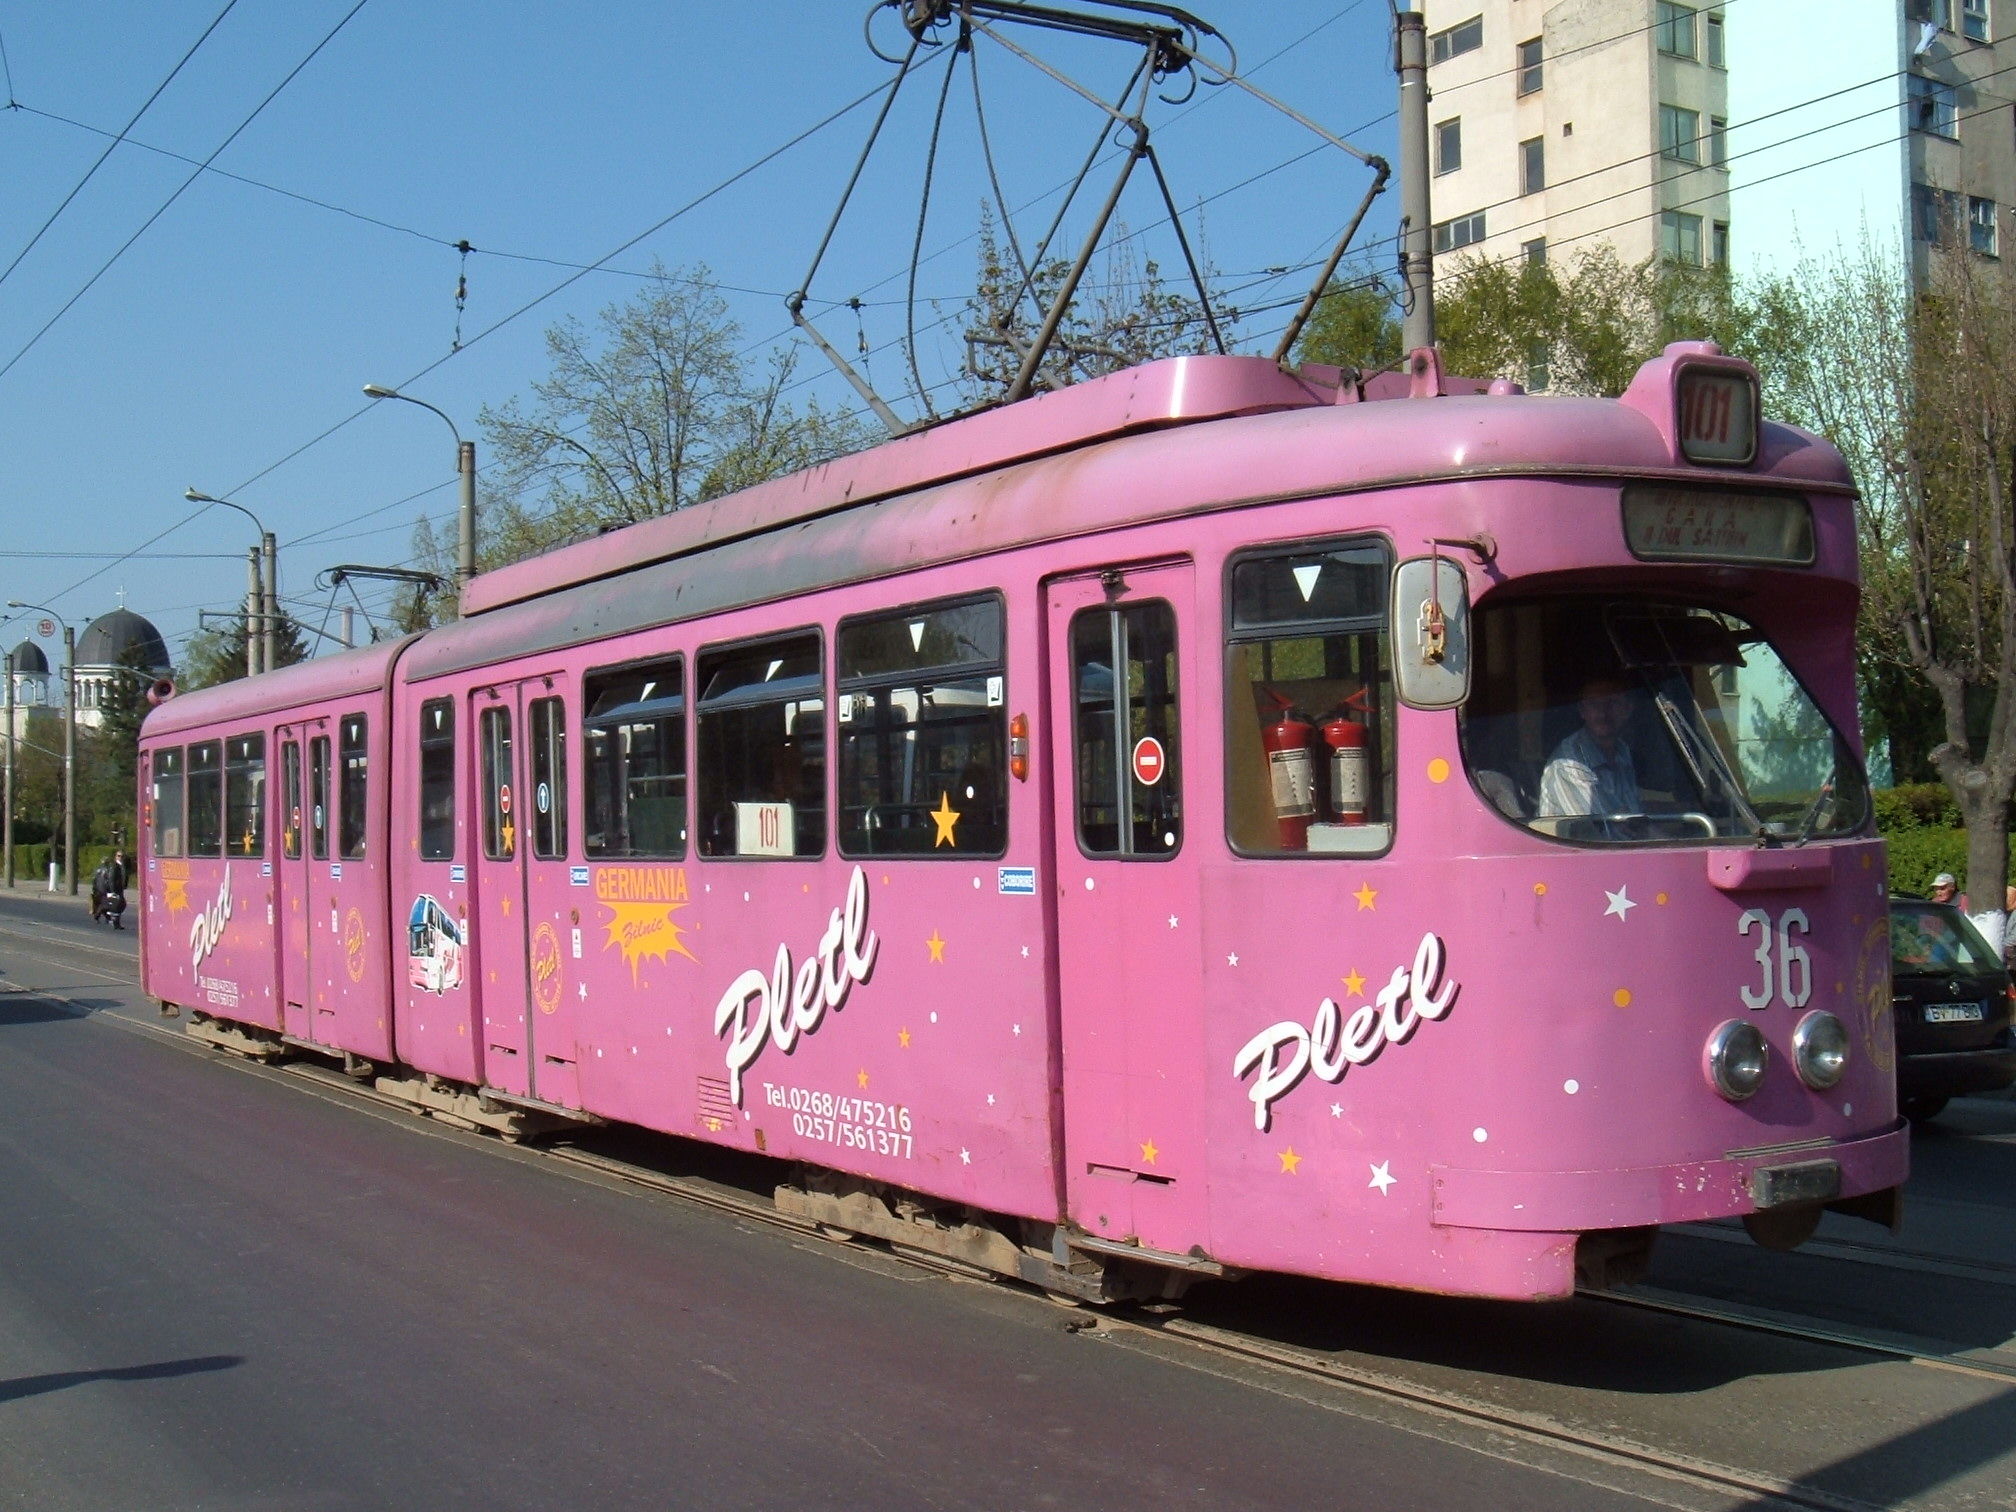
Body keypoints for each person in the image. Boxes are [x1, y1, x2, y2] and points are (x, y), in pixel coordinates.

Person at [1537, 674, 1642, 822]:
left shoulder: (1622, 750)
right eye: (1594, 704)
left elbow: (1634, 817)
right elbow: (1607, 830)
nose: (1603, 713)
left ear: (1628, 709)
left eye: (1611, 703)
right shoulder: (1569, 763)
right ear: (1582, 711)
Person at [90, 850, 128, 929]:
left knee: (115, 905)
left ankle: (112, 921)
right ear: (115, 856)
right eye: (118, 856)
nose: (120, 858)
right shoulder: (114, 866)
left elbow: (124, 877)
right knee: (117, 905)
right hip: (114, 889)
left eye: (122, 856)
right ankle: (113, 921)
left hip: (118, 888)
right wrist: (112, 890)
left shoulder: (122, 865)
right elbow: (111, 879)